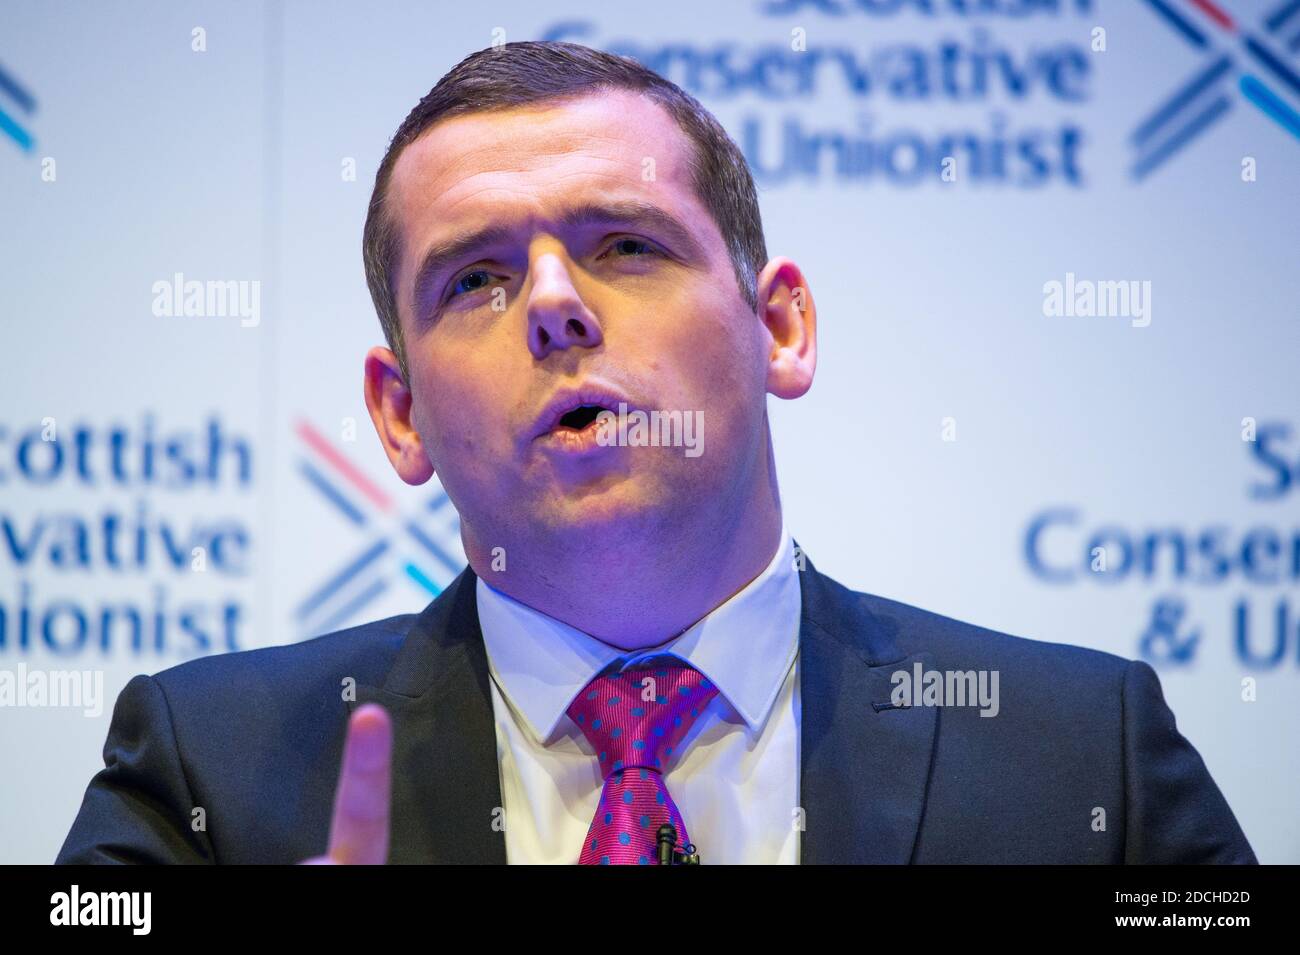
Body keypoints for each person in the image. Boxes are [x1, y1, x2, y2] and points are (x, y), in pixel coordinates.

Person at [56, 40, 1256, 865]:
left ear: (779, 325)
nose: (553, 307)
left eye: (624, 246)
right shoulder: (205, 771)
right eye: (474, 278)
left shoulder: (1077, 750)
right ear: (401, 415)